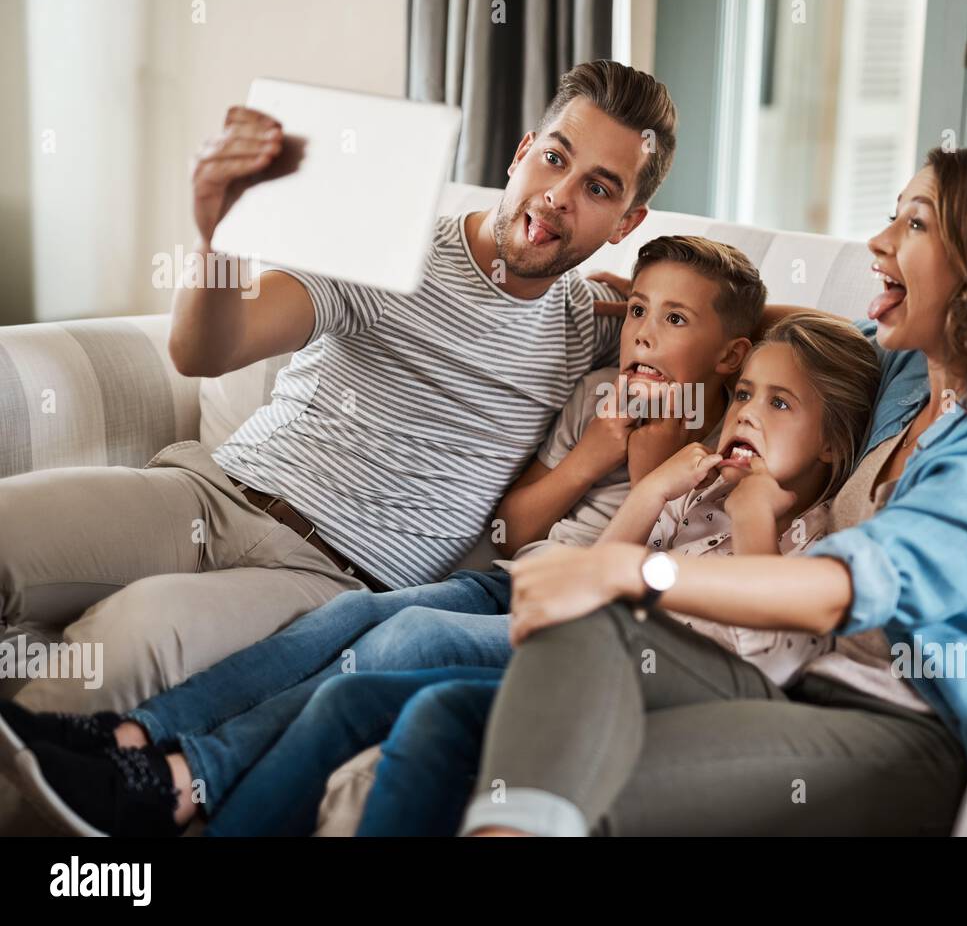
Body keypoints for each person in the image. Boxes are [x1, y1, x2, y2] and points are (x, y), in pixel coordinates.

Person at [453, 146, 967, 837]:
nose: (879, 240)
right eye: (892, 217)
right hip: (804, 689)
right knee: (561, 644)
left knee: (597, 791)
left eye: (916, 225)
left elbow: (849, 584)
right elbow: (809, 335)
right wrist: (671, 307)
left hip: (921, 733)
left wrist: (632, 567)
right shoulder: (906, 388)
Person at [0, 235, 767, 837]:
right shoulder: (597, 393)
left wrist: (643, 462)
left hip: (572, 614)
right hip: (510, 577)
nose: (643, 334)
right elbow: (510, 528)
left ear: (732, 354)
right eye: (640, 311)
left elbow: (622, 579)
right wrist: (588, 459)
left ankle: (183, 780)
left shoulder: (731, 444)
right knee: (342, 620)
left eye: (675, 320)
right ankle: (133, 739)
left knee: (406, 637)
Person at [0, 60, 676, 715]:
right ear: (522, 153)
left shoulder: (594, 325)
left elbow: (761, 325)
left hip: (325, 578)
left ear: (625, 223)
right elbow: (205, 348)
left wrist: (664, 294)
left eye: (599, 188)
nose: (560, 195)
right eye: (555, 159)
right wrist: (221, 234)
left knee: (130, 640)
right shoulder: (391, 253)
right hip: (207, 491)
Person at [187, 312, 882, 837]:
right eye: (744, 396)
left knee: (422, 672)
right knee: (349, 699)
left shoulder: (819, 544)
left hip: (655, 702)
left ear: (831, 442)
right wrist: (650, 495)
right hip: (580, 662)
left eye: (779, 404)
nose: (748, 415)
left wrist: (758, 512)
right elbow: (592, 585)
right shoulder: (699, 501)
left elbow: (771, 666)